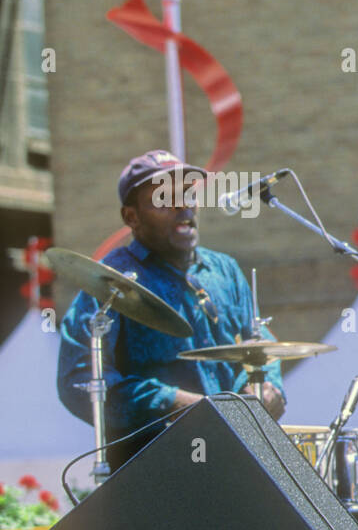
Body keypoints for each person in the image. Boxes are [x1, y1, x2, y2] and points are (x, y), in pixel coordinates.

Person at [58, 150, 285, 468]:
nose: (183, 206)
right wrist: (173, 403)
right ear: (131, 218)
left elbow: (259, 341)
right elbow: (79, 381)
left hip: (234, 456)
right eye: (164, 198)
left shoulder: (225, 270)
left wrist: (268, 386)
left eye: (188, 194)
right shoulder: (109, 281)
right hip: (155, 464)